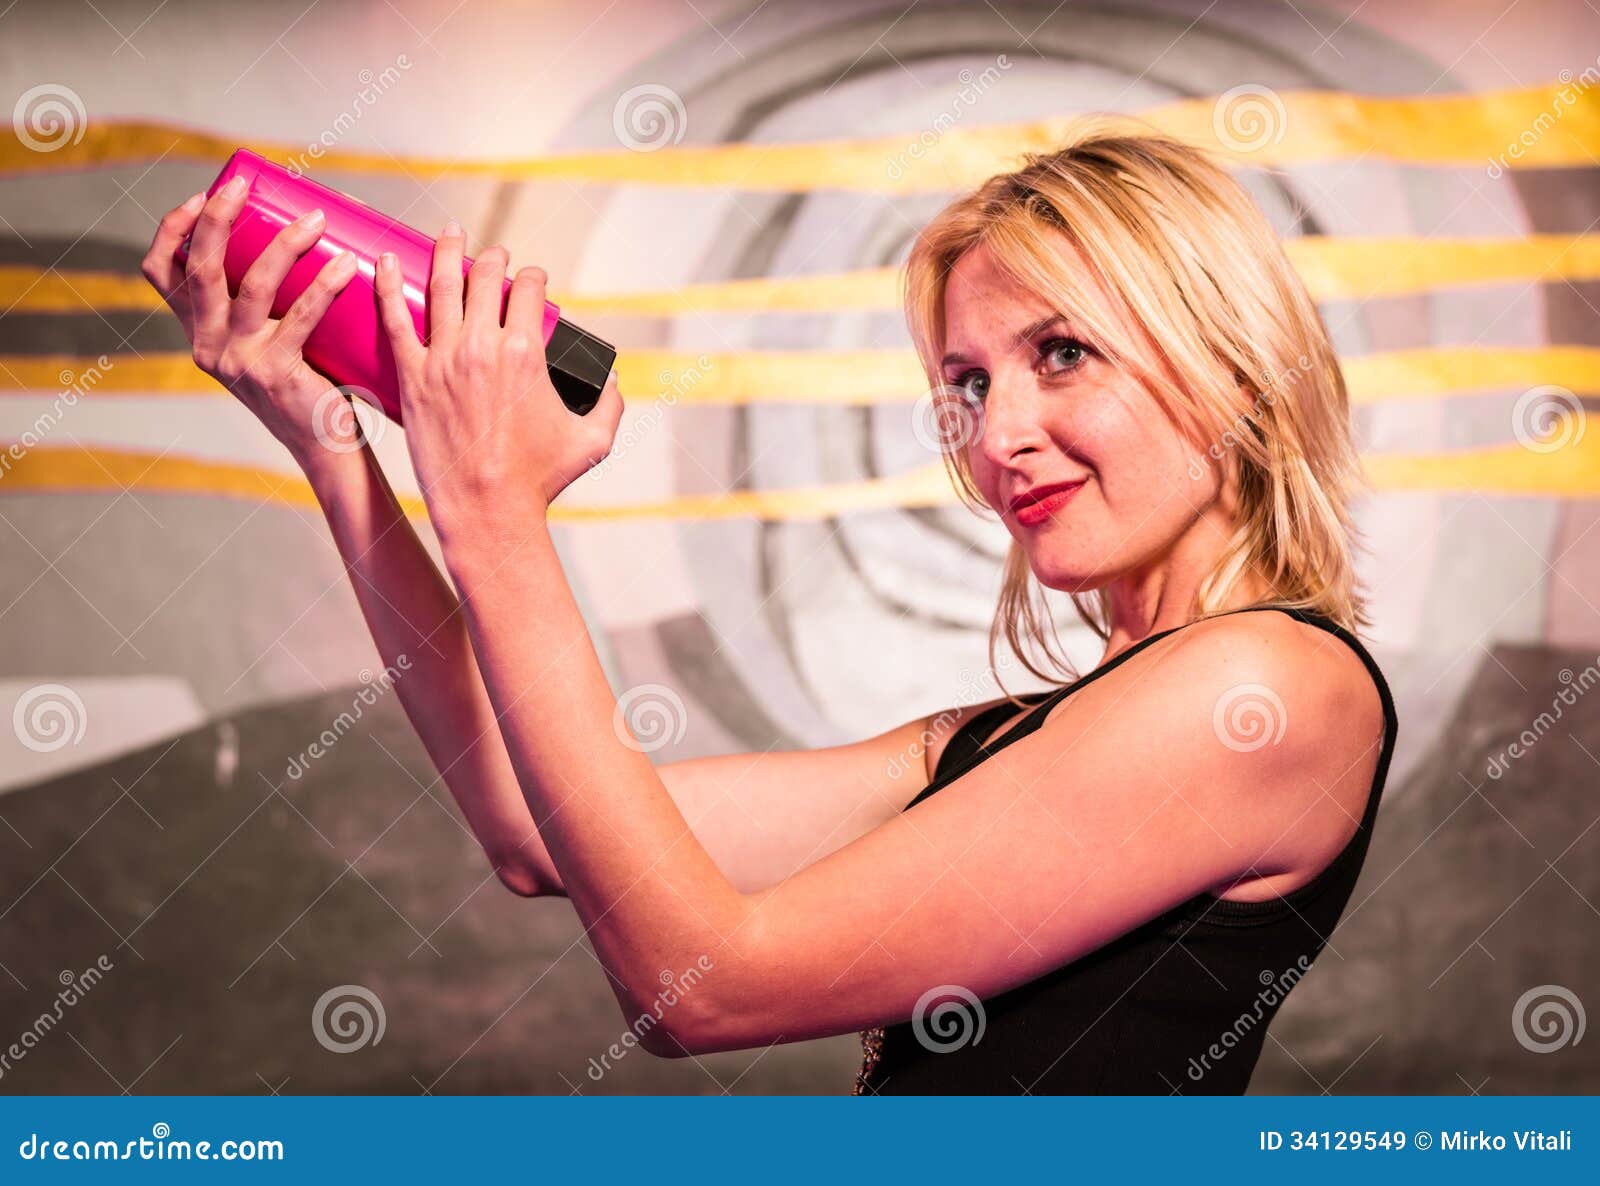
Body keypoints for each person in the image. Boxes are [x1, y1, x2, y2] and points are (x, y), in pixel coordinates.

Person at [141, 119, 1396, 1094]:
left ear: (1232, 363)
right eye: (966, 380)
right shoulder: (1005, 744)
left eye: (1061, 352)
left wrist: (496, 517)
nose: (997, 432)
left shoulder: (1267, 689)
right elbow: (533, 826)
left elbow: (701, 989)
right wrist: (333, 447)